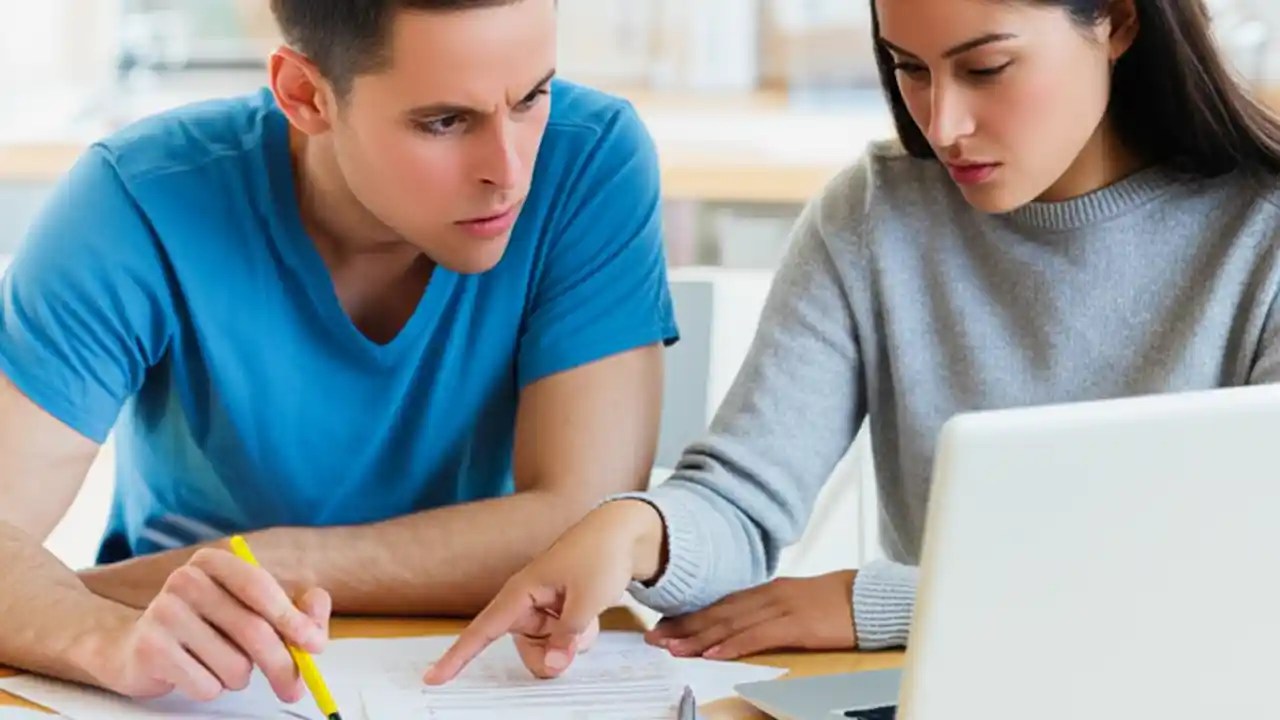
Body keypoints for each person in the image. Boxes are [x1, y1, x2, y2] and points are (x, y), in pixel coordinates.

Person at [424, 0, 1280, 684]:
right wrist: (633, 530)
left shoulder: (1262, 235)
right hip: (957, 694)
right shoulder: (877, 216)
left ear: (1119, 22)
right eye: (908, 68)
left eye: (986, 68)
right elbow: (740, 495)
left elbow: (1244, 588)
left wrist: (886, 603)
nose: (943, 123)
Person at [0, 0, 678, 704]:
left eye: (534, 95)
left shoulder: (590, 155)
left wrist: (270, 561)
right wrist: (102, 633)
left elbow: (589, 524)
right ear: (304, 94)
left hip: (503, 678)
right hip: (188, 678)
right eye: (444, 121)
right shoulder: (138, 198)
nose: (507, 172)